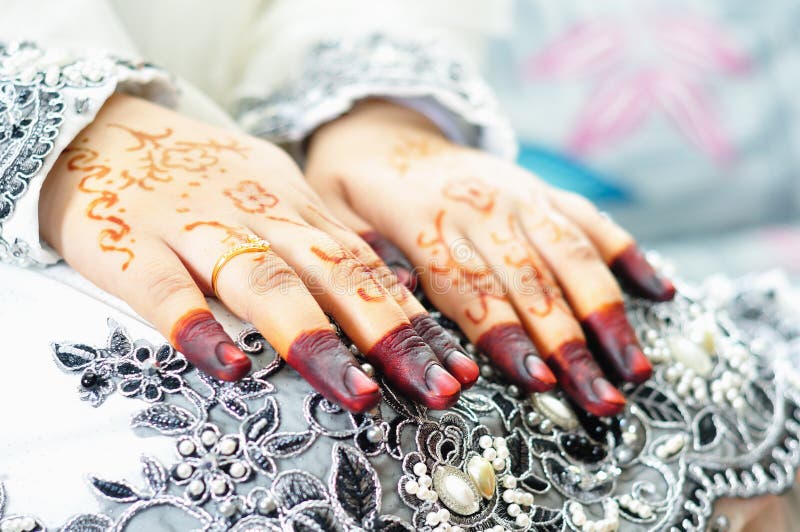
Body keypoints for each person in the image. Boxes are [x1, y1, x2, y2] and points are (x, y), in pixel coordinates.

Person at [0, 1, 796, 531]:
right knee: (290, 426)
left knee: (638, 347)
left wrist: (375, 113)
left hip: (283, 150)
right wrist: (65, 123)